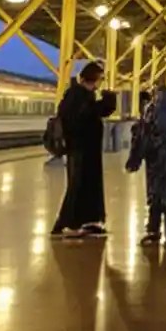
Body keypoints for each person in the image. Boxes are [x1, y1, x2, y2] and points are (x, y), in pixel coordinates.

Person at [51, 62, 116, 237]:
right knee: (77, 185)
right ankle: (66, 223)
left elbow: (90, 114)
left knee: (88, 185)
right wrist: (106, 104)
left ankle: (89, 220)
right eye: (101, 78)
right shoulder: (77, 95)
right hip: (80, 150)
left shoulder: (83, 95)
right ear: (94, 78)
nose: (101, 83)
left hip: (87, 150)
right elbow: (83, 117)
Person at [126, 87, 166, 246]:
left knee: (155, 198)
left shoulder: (151, 113)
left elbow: (142, 139)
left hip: (155, 164)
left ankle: (153, 230)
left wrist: (134, 161)